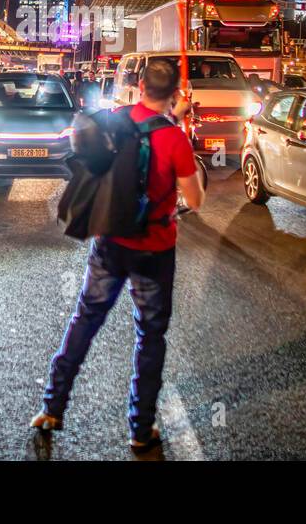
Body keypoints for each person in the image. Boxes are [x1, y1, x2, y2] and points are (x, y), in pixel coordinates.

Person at [30, 57, 205, 453]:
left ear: (140, 85)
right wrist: (178, 126)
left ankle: (52, 408)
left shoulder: (115, 119)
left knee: (86, 319)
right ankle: (141, 429)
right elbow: (195, 200)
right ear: (176, 93)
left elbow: (122, 136)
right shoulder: (175, 139)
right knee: (150, 336)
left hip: (109, 243)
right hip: (155, 251)